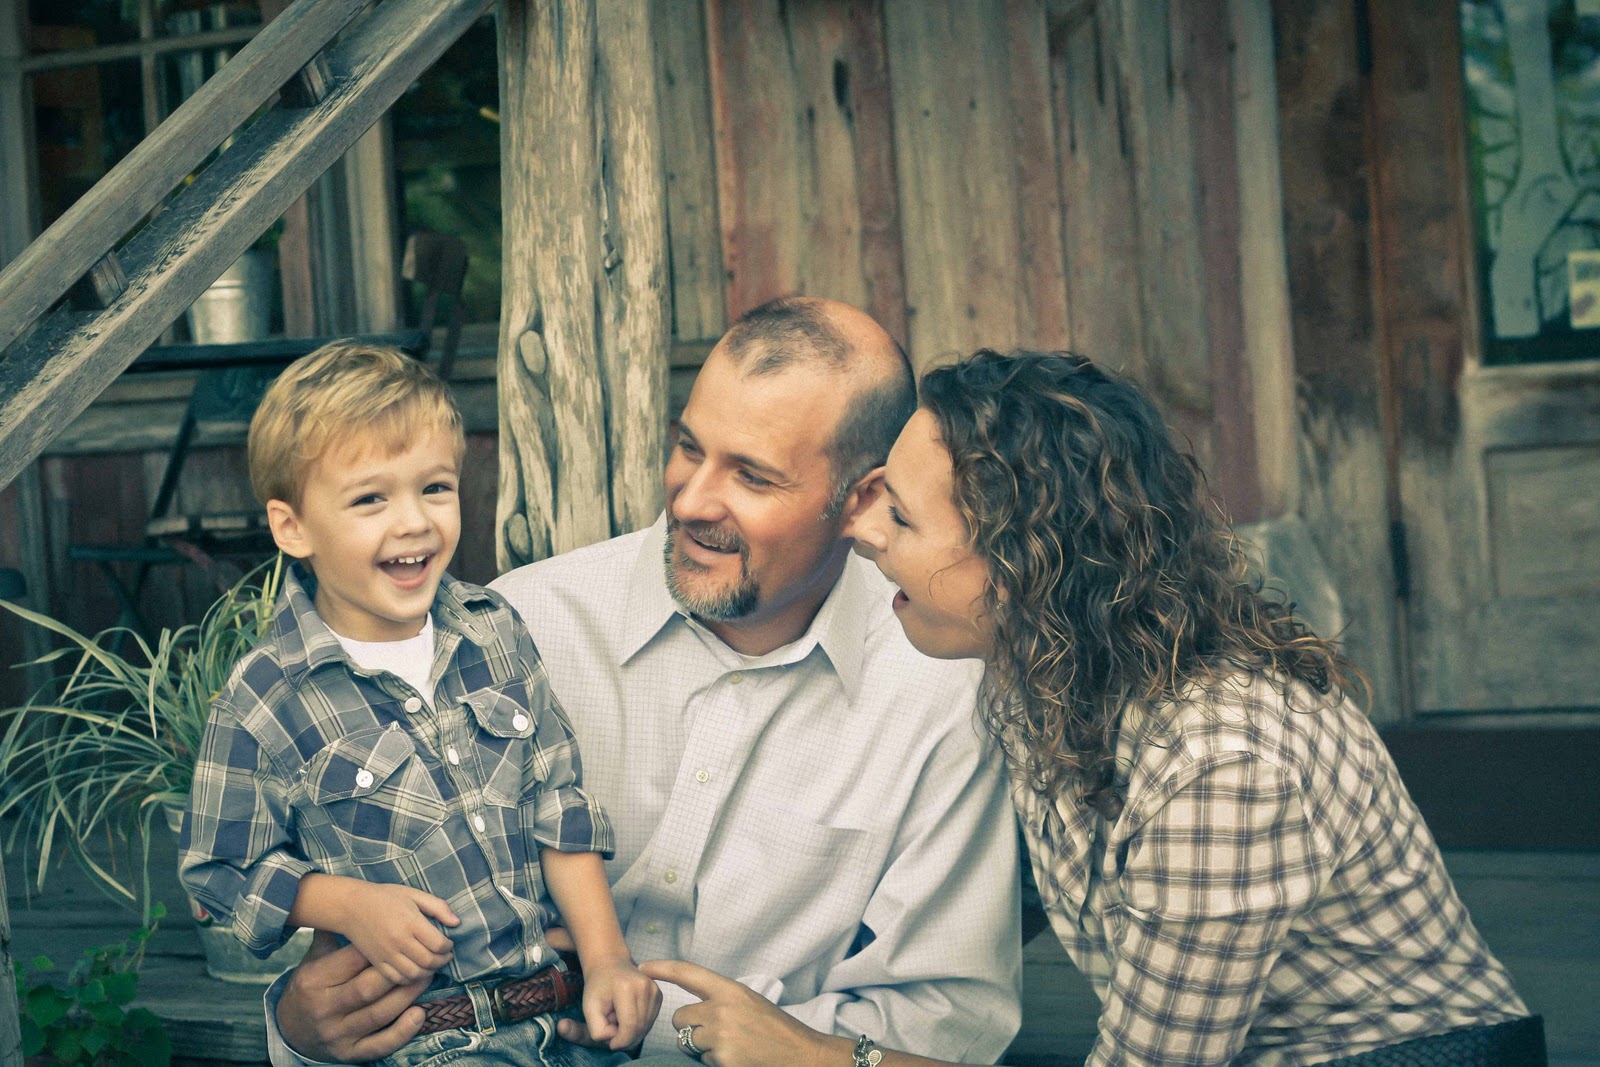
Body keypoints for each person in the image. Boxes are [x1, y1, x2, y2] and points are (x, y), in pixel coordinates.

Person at [646, 349, 1543, 1066]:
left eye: (905, 520)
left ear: (1028, 567)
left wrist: (822, 1055)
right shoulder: (1045, 671)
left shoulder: (1220, 767)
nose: (864, 528)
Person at [265, 300, 1023, 1063]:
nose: (691, 501)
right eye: (689, 448)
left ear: (860, 499)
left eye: (753, 476)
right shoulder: (518, 626)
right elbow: (366, 915)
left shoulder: (939, 686)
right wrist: (304, 1026)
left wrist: (654, 1021)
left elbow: (948, 1019)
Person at [180, 341, 660, 1066]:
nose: (413, 522)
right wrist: (341, 903)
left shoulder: (495, 631)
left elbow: (558, 806)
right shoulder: (266, 696)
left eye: (434, 488)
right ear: (293, 527)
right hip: (423, 1040)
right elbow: (217, 870)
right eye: (370, 498)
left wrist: (609, 960)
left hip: (560, 1017)